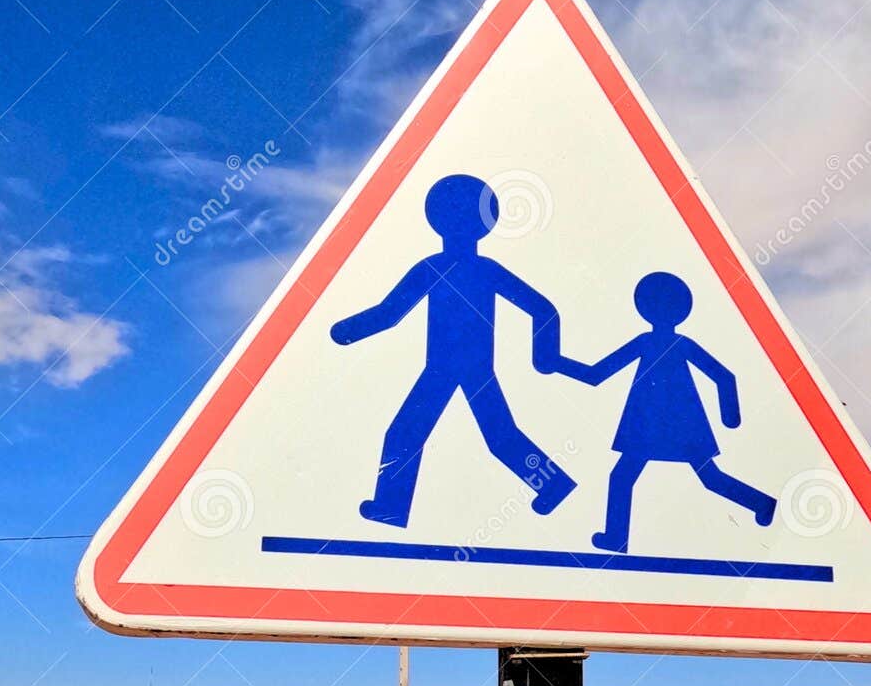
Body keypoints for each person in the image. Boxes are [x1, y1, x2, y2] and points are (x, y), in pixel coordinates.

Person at [330, 173, 576, 528]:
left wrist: (349, 331)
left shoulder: (439, 267)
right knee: (494, 435)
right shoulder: (470, 269)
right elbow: (543, 309)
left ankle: (391, 508)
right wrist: (544, 354)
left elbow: (389, 314)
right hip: (462, 366)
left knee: (409, 433)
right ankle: (552, 485)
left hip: (451, 367)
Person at [543, 271, 775, 553]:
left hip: (655, 424)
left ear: (644, 307)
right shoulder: (675, 343)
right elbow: (724, 377)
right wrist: (730, 415)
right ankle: (761, 503)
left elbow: (597, 374)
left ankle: (617, 537)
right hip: (674, 425)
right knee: (704, 478)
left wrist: (557, 363)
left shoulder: (651, 342)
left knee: (628, 477)